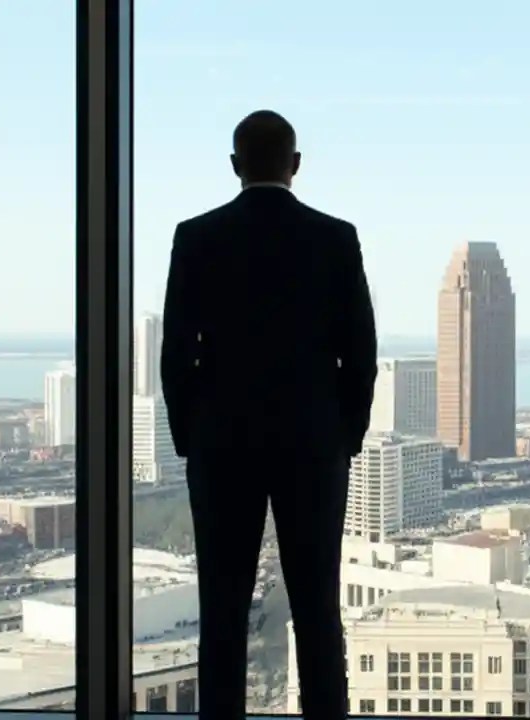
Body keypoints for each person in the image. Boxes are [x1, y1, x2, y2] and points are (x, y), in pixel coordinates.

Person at [160, 109, 377, 719]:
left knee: (222, 612)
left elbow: (176, 354)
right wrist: (345, 436)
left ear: (234, 167)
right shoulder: (336, 238)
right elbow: (360, 352)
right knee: (317, 610)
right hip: (313, 447)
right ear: (296, 165)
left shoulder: (196, 236)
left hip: (222, 448)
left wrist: (190, 438)